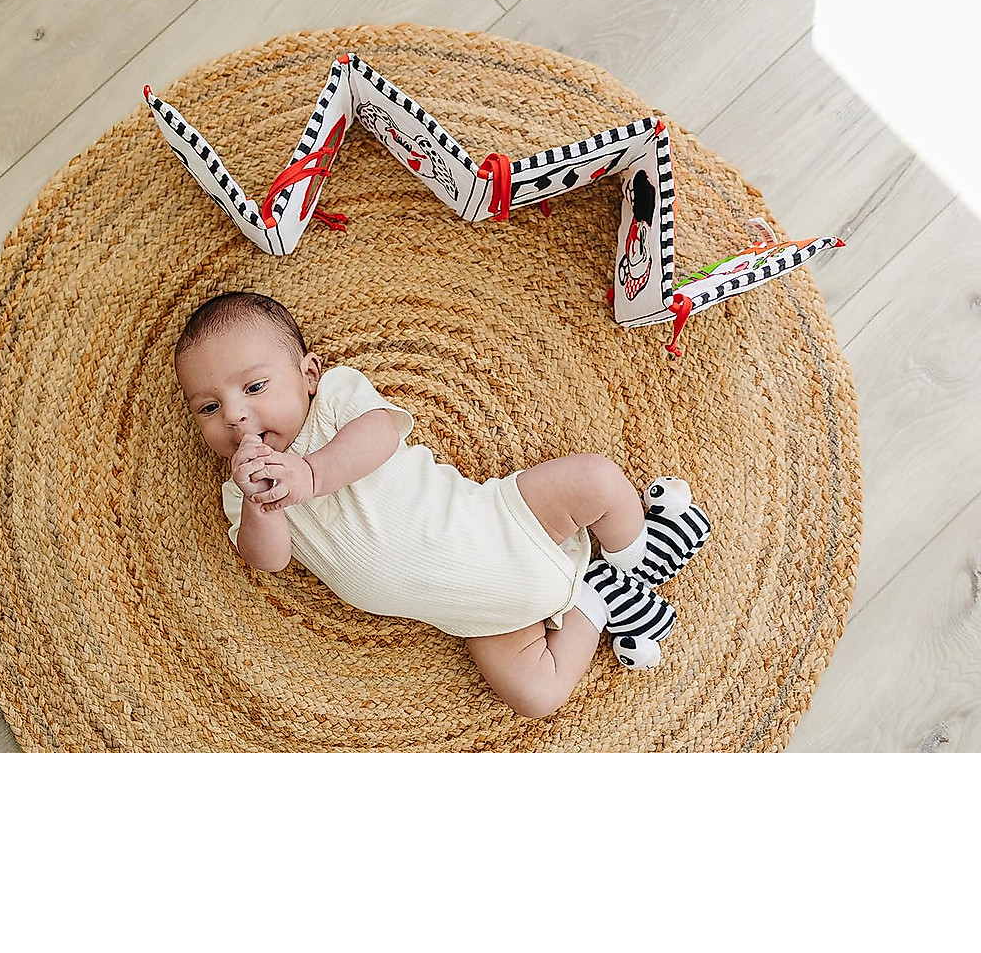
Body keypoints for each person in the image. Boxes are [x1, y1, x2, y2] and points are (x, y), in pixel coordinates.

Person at [174, 291, 711, 719]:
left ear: (309, 376)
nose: (236, 416)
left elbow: (381, 433)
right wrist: (264, 508)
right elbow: (269, 560)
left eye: (256, 386)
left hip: (506, 520)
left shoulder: (335, 403)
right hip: (480, 616)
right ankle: (595, 603)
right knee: (537, 697)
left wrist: (311, 473)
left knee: (595, 479)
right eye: (210, 406)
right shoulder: (243, 495)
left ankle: (632, 554)